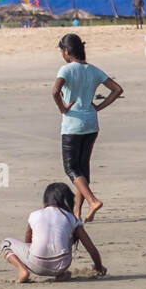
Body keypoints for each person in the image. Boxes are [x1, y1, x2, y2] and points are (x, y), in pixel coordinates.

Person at [53, 33, 123, 222]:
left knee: (71, 168)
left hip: (72, 125)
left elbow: (54, 91)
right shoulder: (93, 70)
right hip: (91, 124)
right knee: (83, 168)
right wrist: (99, 107)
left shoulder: (66, 70)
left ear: (66, 51)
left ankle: (92, 201)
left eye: (62, 51)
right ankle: (77, 212)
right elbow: (117, 89)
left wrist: (62, 108)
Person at [1, 182, 106, 283]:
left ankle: (23, 271)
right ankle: (60, 274)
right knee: (66, 237)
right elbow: (91, 248)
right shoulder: (71, 218)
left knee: (6, 243)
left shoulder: (35, 214)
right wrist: (98, 267)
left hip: (37, 265)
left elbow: (28, 240)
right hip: (62, 265)